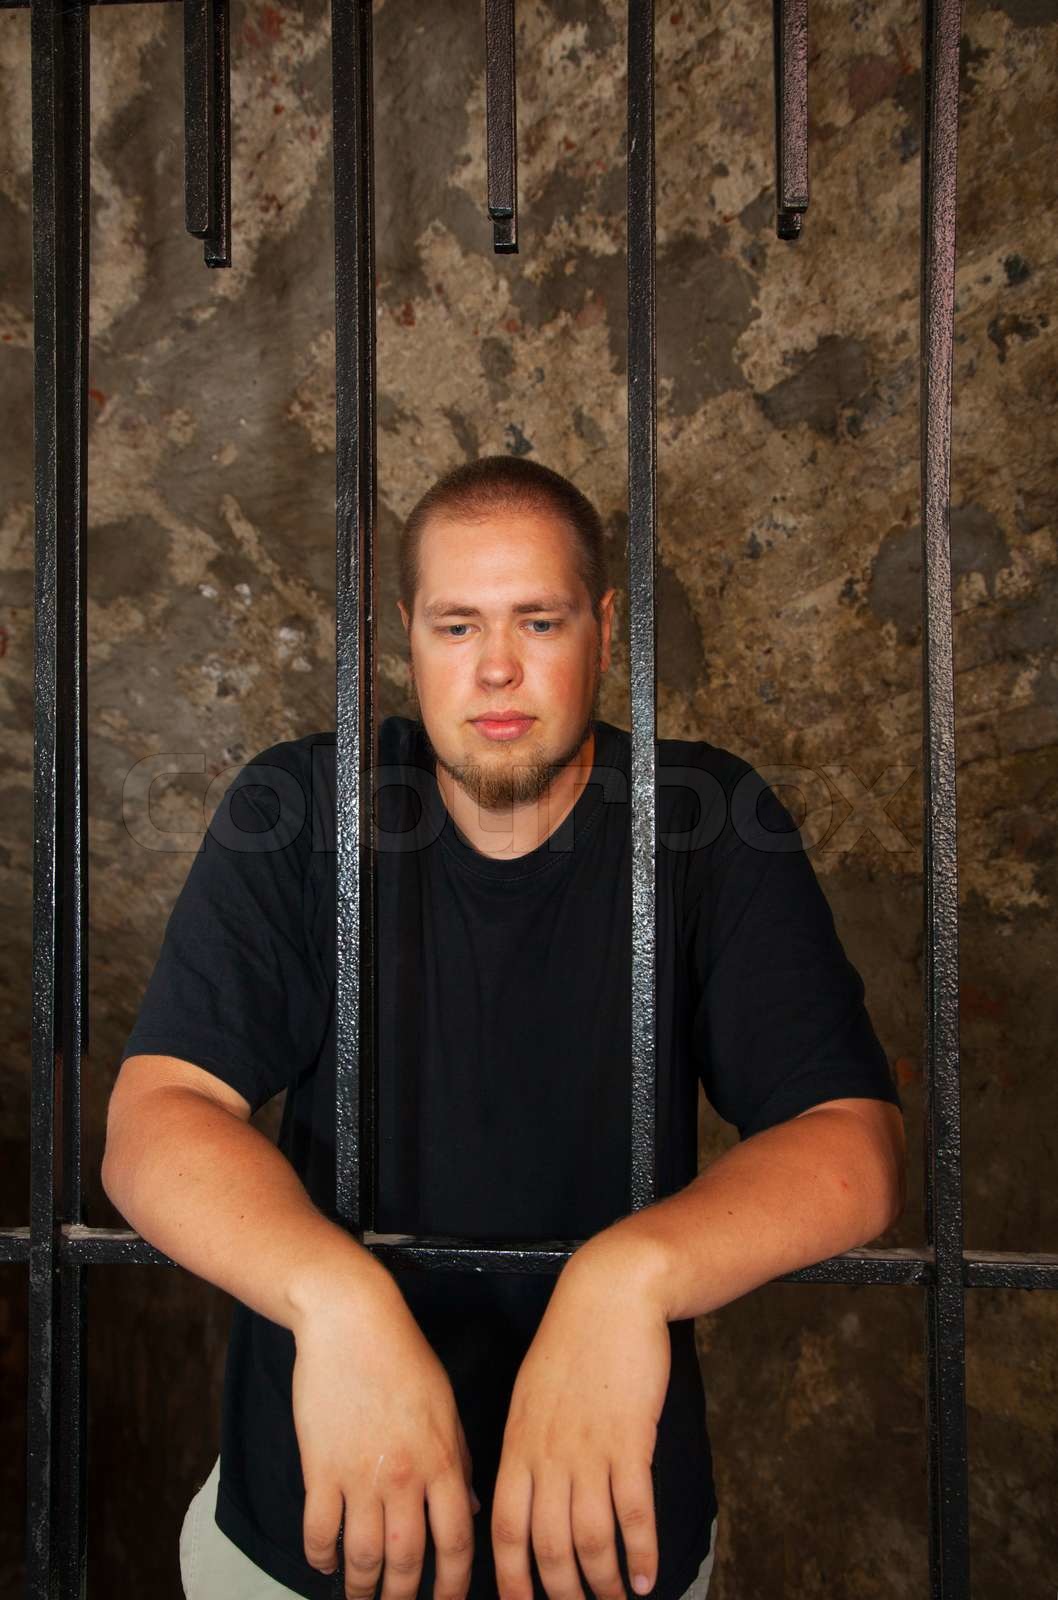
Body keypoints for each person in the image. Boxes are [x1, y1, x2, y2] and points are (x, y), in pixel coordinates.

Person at [102, 455, 905, 1600]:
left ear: (604, 626)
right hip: (305, 1538)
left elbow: (853, 1148)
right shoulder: (300, 808)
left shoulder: (707, 824)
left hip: (600, 1545)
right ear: (405, 634)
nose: (494, 667)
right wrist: (336, 1296)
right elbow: (155, 1119)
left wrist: (621, 1280)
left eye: (538, 618)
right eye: (455, 624)